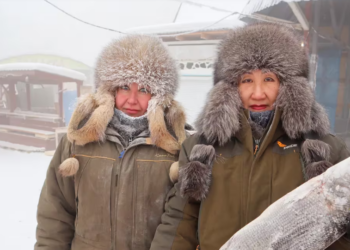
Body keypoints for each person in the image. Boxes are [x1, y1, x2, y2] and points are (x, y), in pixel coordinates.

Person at [150, 23, 350, 250]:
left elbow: (340, 227)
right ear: (230, 88)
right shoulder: (201, 148)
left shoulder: (326, 149)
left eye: (268, 79)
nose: (258, 93)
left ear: (289, 86)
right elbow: (180, 220)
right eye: (247, 80)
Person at [35, 35, 190, 250]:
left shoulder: (177, 147)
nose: (132, 99)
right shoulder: (78, 142)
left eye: (144, 89)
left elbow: (184, 223)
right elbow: (55, 213)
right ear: (110, 90)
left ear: (159, 95)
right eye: (125, 87)